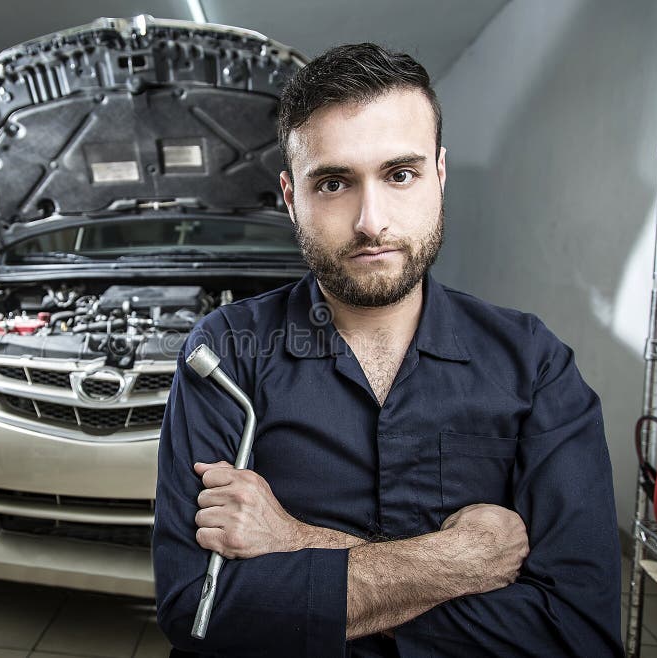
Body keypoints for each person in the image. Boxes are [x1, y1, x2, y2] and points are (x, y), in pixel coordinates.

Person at [152, 43, 623, 657]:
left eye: (400, 174)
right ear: (292, 198)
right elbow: (199, 609)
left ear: (441, 174)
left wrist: (295, 541)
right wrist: (462, 561)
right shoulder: (225, 354)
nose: (371, 221)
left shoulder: (534, 366)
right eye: (334, 182)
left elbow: (577, 634)